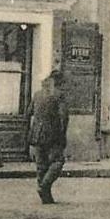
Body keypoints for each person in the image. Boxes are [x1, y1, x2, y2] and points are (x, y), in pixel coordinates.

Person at [24, 70, 69, 204]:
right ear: (59, 83)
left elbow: (28, 113)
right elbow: (64, 117)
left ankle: (46, 197)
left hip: (37, 133)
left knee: (41, 165)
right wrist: (62, 134)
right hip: (53, 134)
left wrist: (31, 130)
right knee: (57, 161)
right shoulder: (59, 96)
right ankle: (44, 186)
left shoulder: (37, 94)